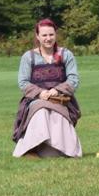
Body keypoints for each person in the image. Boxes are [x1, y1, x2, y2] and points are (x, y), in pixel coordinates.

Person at [13, 19, 82, 158]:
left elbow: (74, 79)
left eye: (51, 34)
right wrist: (40, 93)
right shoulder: (29, 57)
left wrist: (57, 90)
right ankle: (31, 148)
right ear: (37, 36)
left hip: (61, 99)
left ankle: (61, 149)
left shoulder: (66, 54)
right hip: (36, 99)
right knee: (41, 109)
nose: (48, 38)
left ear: (55, 35)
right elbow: (23, 82)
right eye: (44, 35)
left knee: (57, 111)